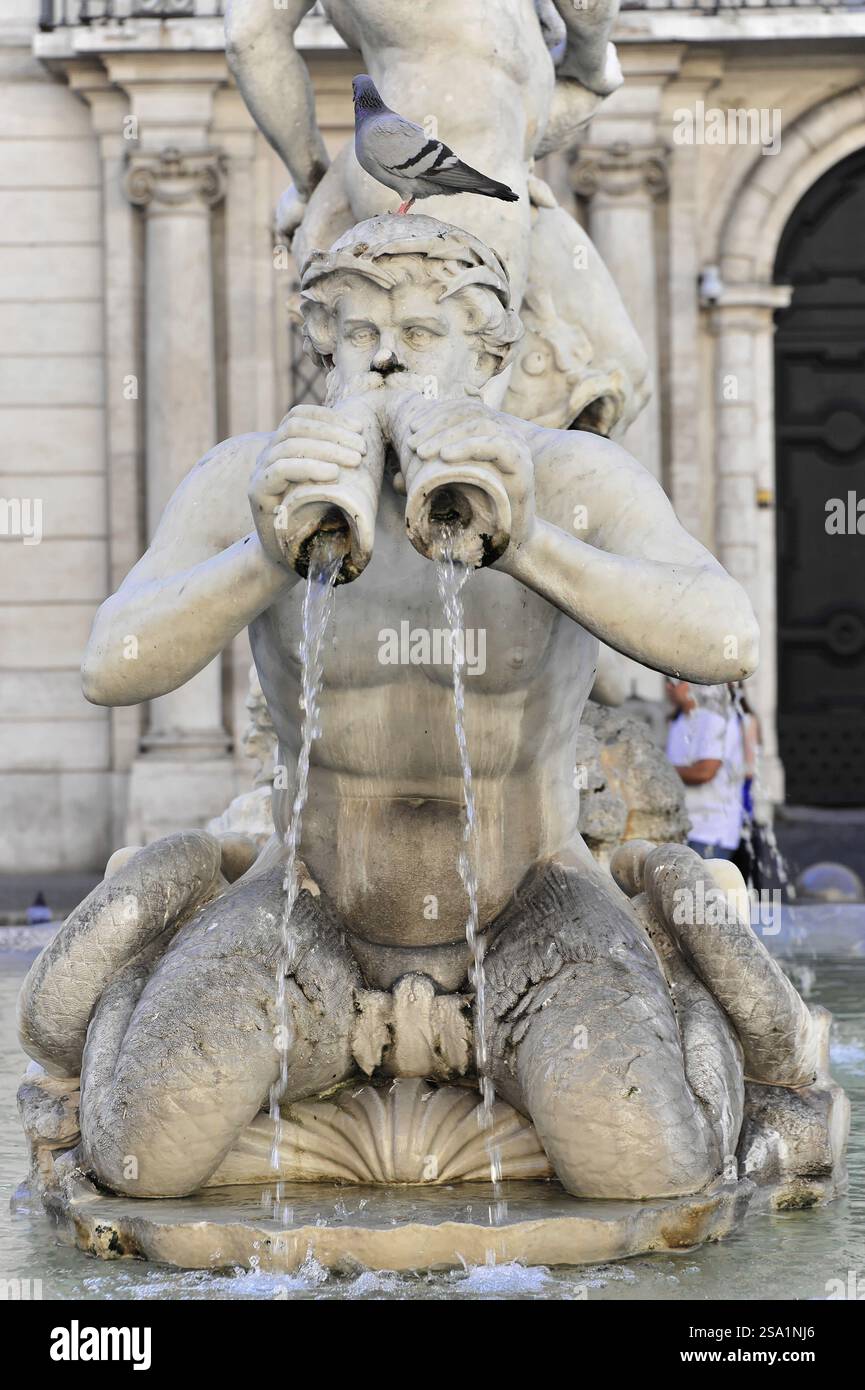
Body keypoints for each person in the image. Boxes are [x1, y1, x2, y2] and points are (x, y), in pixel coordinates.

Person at [665, 679, 745, 861]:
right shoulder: (678, 722)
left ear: (695, 681)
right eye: (666, 682)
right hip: (683, 827)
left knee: (700, 889)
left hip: (711, 832)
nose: (669, 687)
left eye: (676, 681)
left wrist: (661, 771)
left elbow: (704, 772)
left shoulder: (715, 718)